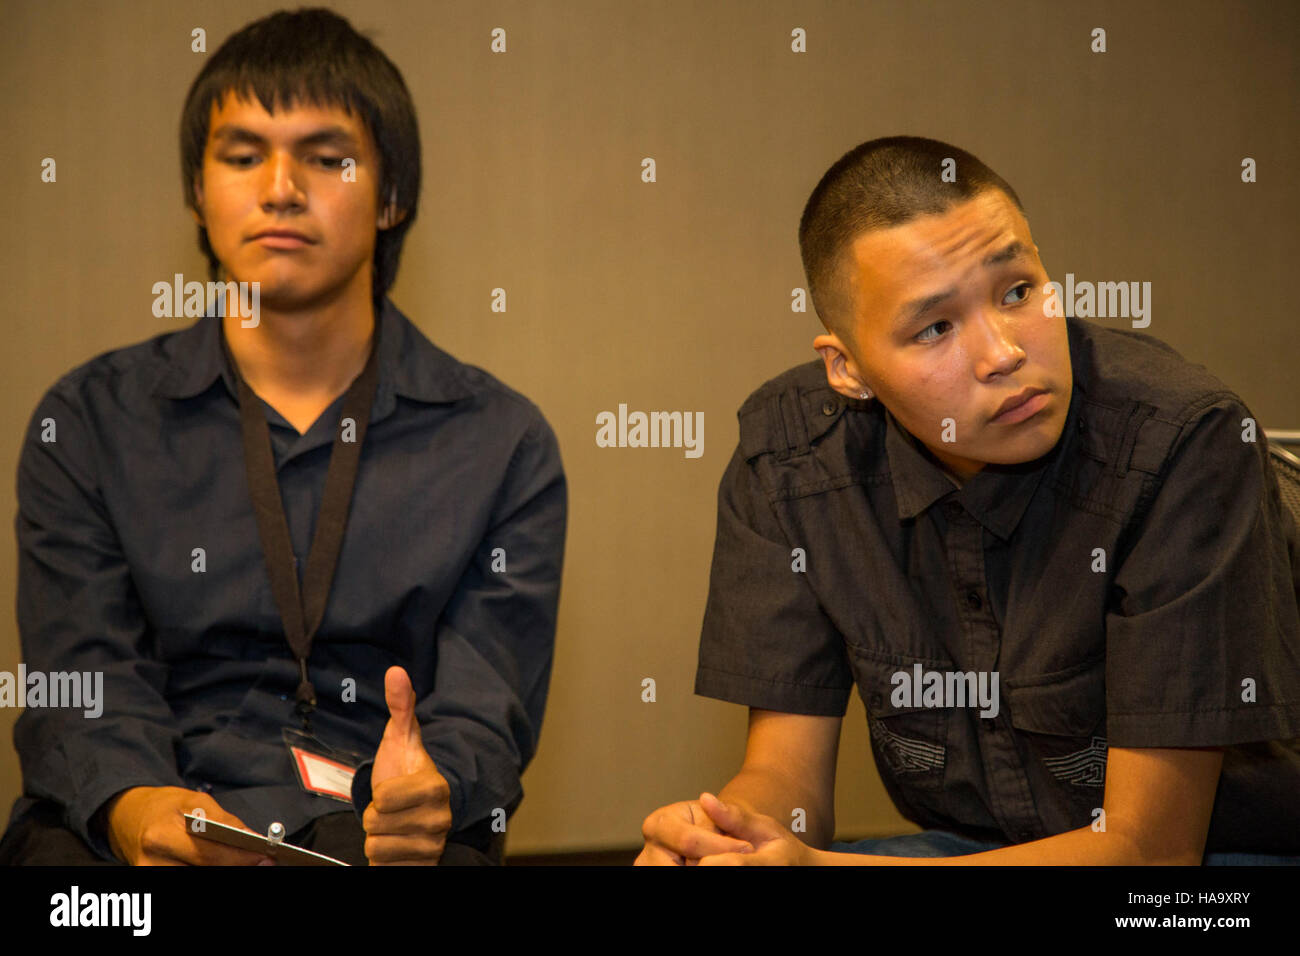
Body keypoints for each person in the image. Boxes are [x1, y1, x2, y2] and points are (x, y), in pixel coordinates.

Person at [0, 8, 566, 866]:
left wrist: (432, 789)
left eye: (325, 156)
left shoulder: (499, 442)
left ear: (393, 195)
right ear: (197, 190)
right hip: (139, 818)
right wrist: (138, 809)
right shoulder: (85, 423)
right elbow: (84, 680)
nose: (279, 187)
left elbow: (484, 714)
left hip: (375, 831)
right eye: (241, 155)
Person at [637, 135, 1300, 865]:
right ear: (847, 369)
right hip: (970, 850)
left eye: (1018, 291)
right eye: (935, 328)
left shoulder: (1183, 444)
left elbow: (1150, 851)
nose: (1004, 353)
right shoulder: (791, 459)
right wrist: (733, 838)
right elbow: (785, 777)